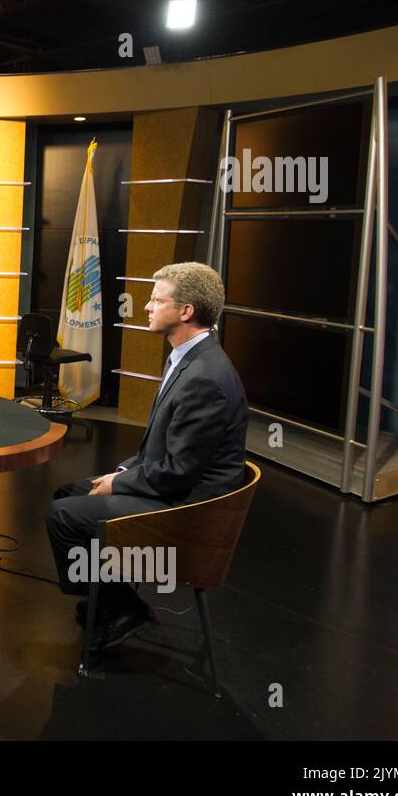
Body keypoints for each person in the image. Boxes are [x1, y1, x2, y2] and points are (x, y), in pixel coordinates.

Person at [45, 261, 248, 651]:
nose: (146, 307)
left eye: (157, 300)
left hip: (187, 511)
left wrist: (118, 482)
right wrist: (120, 472)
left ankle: (122, 607)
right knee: (67, 493)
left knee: (64, 516)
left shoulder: (206, 376)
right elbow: (161, 450)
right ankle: (108, 599)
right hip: (171, 485)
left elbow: (178, 473)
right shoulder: (188, 358)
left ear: (185, 311)